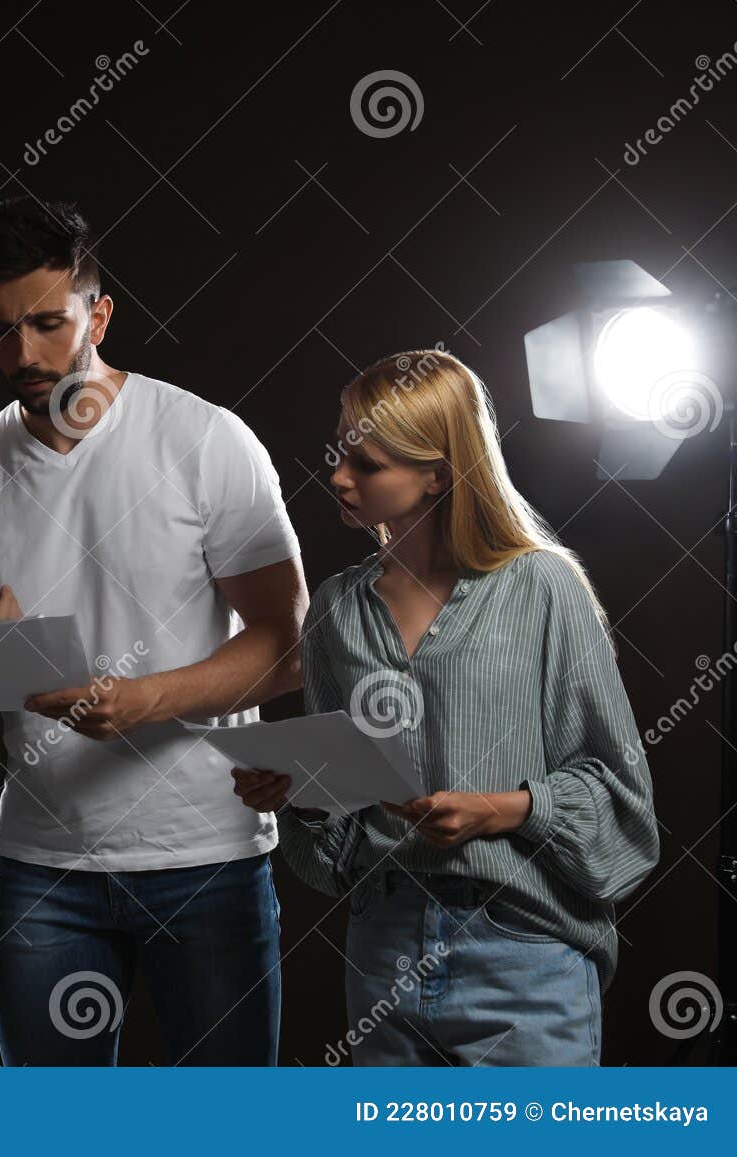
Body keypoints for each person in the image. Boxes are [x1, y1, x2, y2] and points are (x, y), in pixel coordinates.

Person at [0, 197, 308, 1065]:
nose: (25, 354)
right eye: (0, 329)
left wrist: (142, 700)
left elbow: (288, 645)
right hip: (42, 864)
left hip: (205, 852)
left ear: (98, 316)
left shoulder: (205, 438)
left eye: (47, 324)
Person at [232, 348, 660, 1066]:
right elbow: (337, 850)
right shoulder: (337, 610)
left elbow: (623, 802)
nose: (338, 476)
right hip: (382, 953)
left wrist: (502, 810)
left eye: (366, 464)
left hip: (524, 953)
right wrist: (299, 794)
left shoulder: (542, 589)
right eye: (341, 452)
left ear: (437, 473)